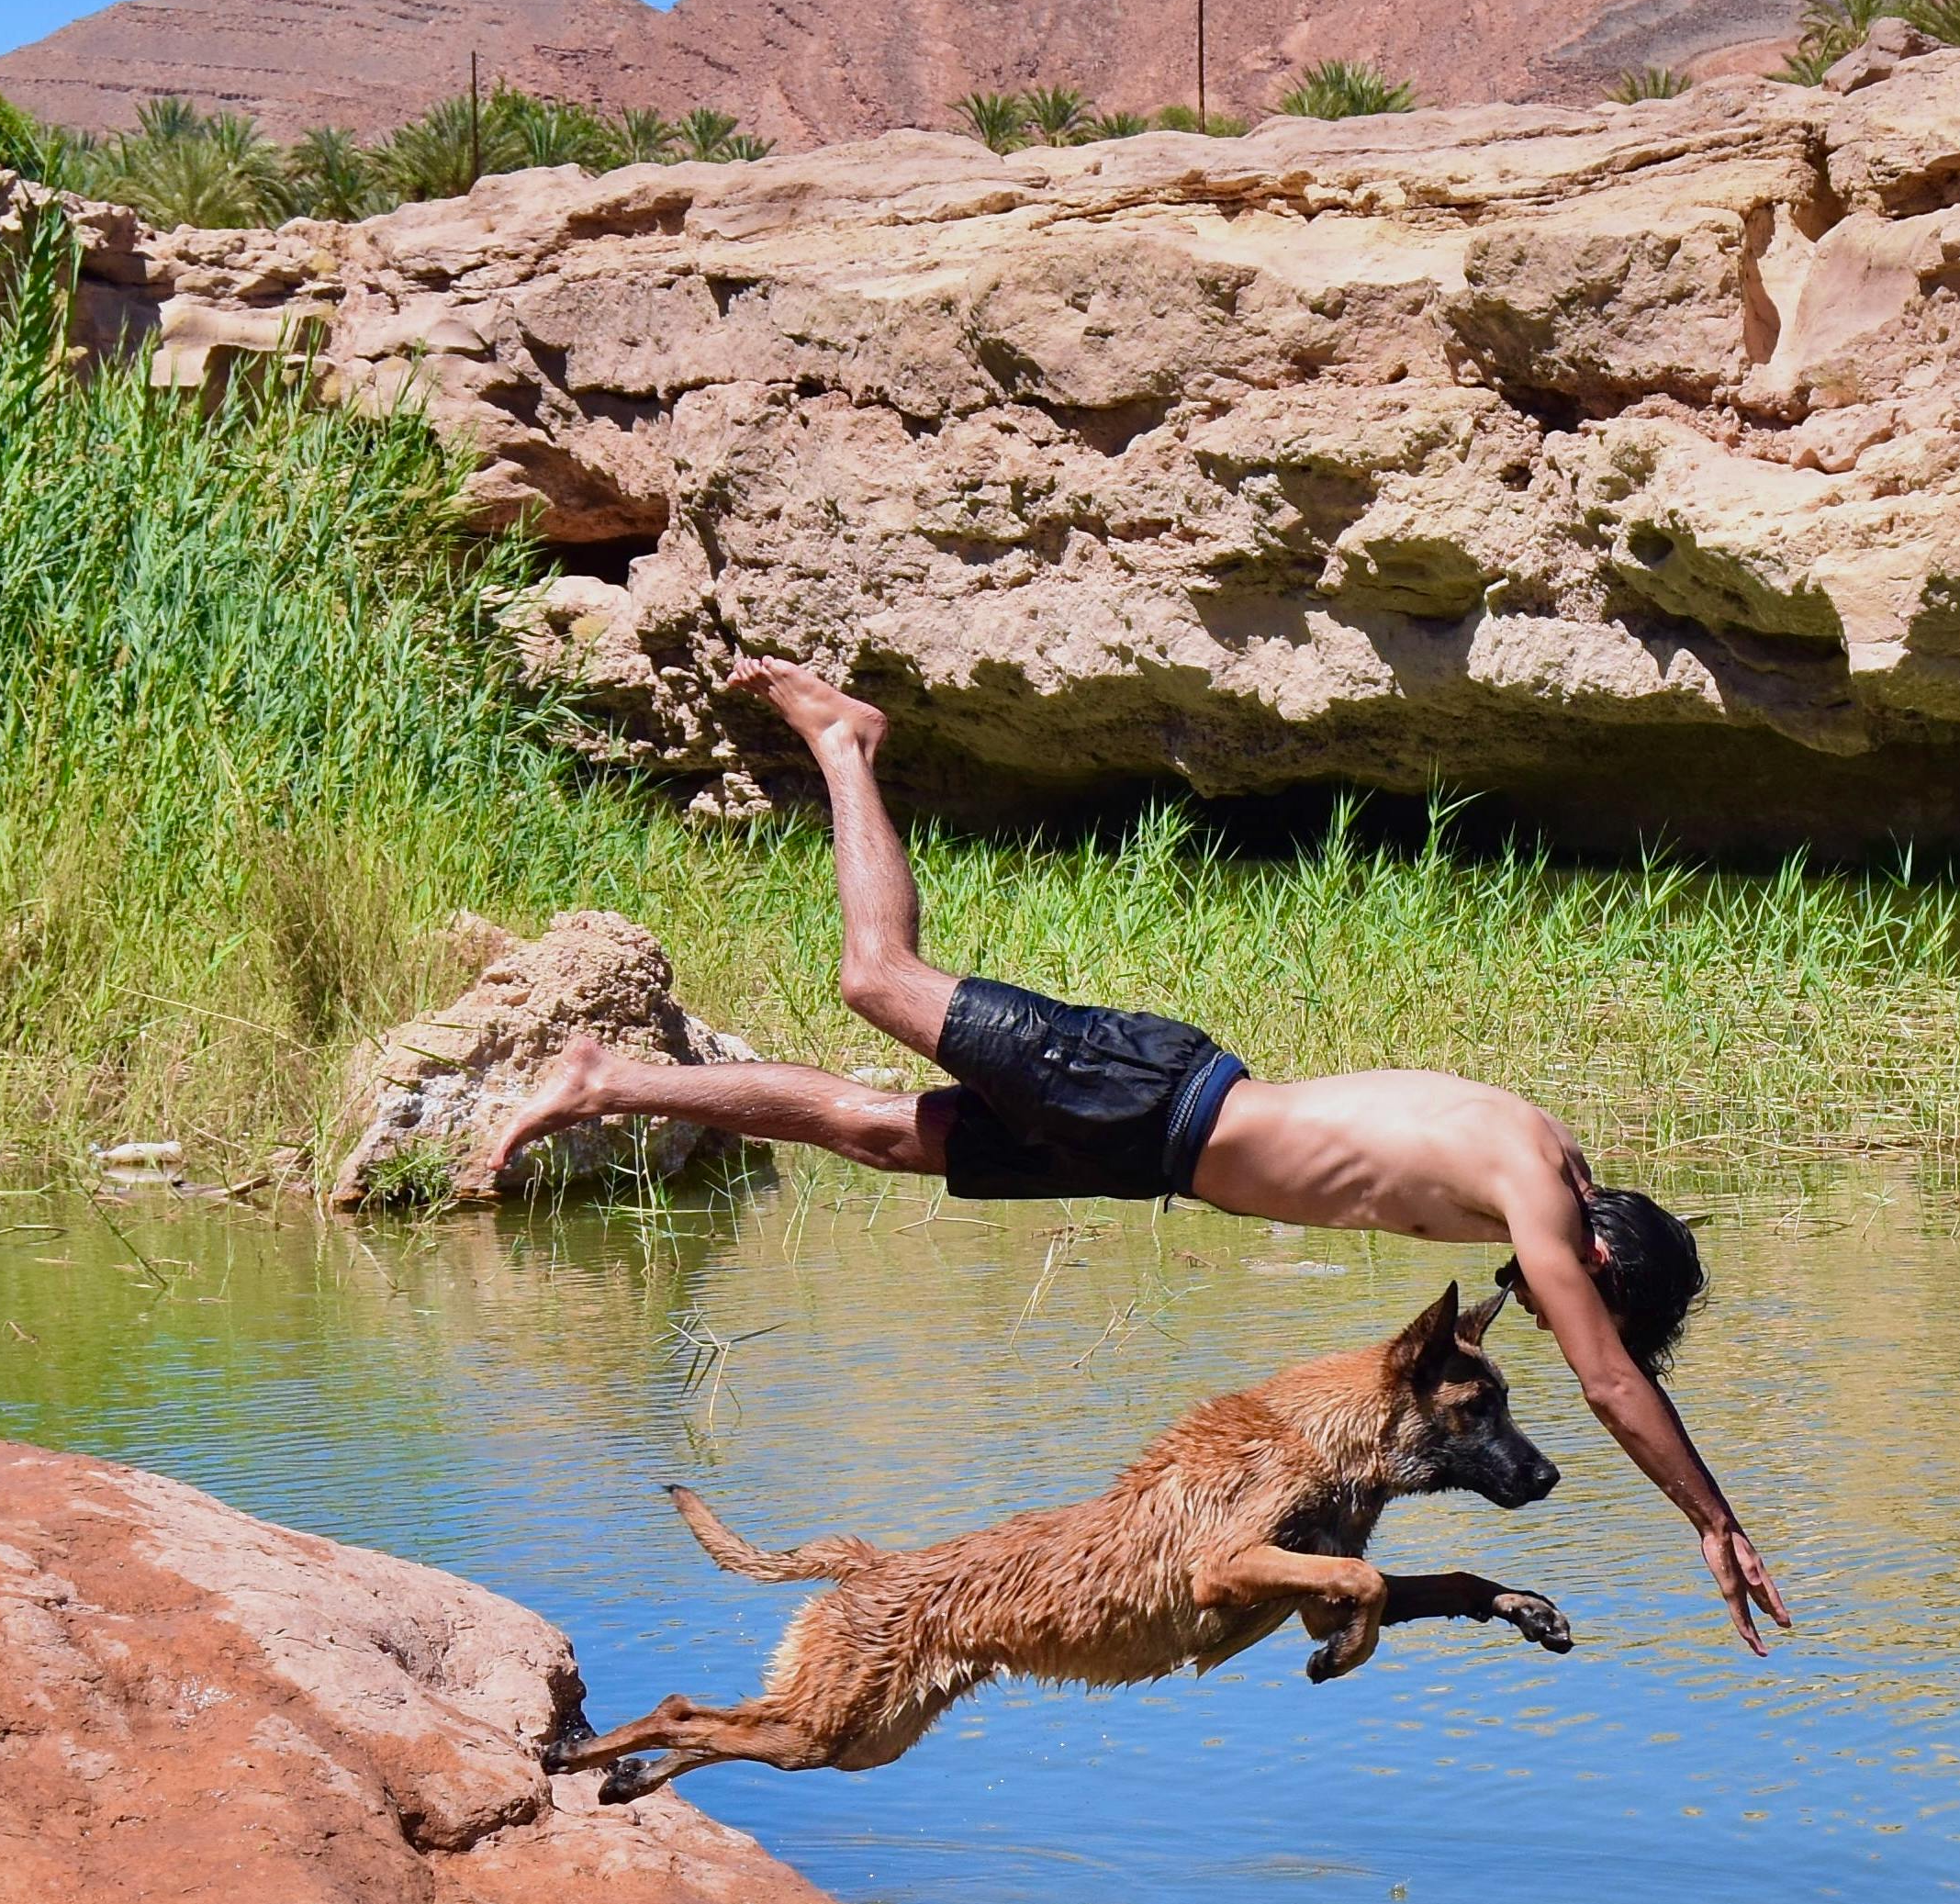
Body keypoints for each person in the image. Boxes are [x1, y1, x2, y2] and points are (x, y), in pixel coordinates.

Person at [465, 665, 1790, 1652]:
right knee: (879, 980)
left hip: (1145, 1150)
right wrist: (1709, 1521)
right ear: (1604, 1256)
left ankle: (608, 1080)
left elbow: (1461, 1317)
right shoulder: (1534, 1190)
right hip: (1147, 1097)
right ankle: (845, 740)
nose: (1568, 1321)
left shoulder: (1522, 1165)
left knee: (873, 1132)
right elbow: (1612, 1388)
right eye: (1590, 1305)